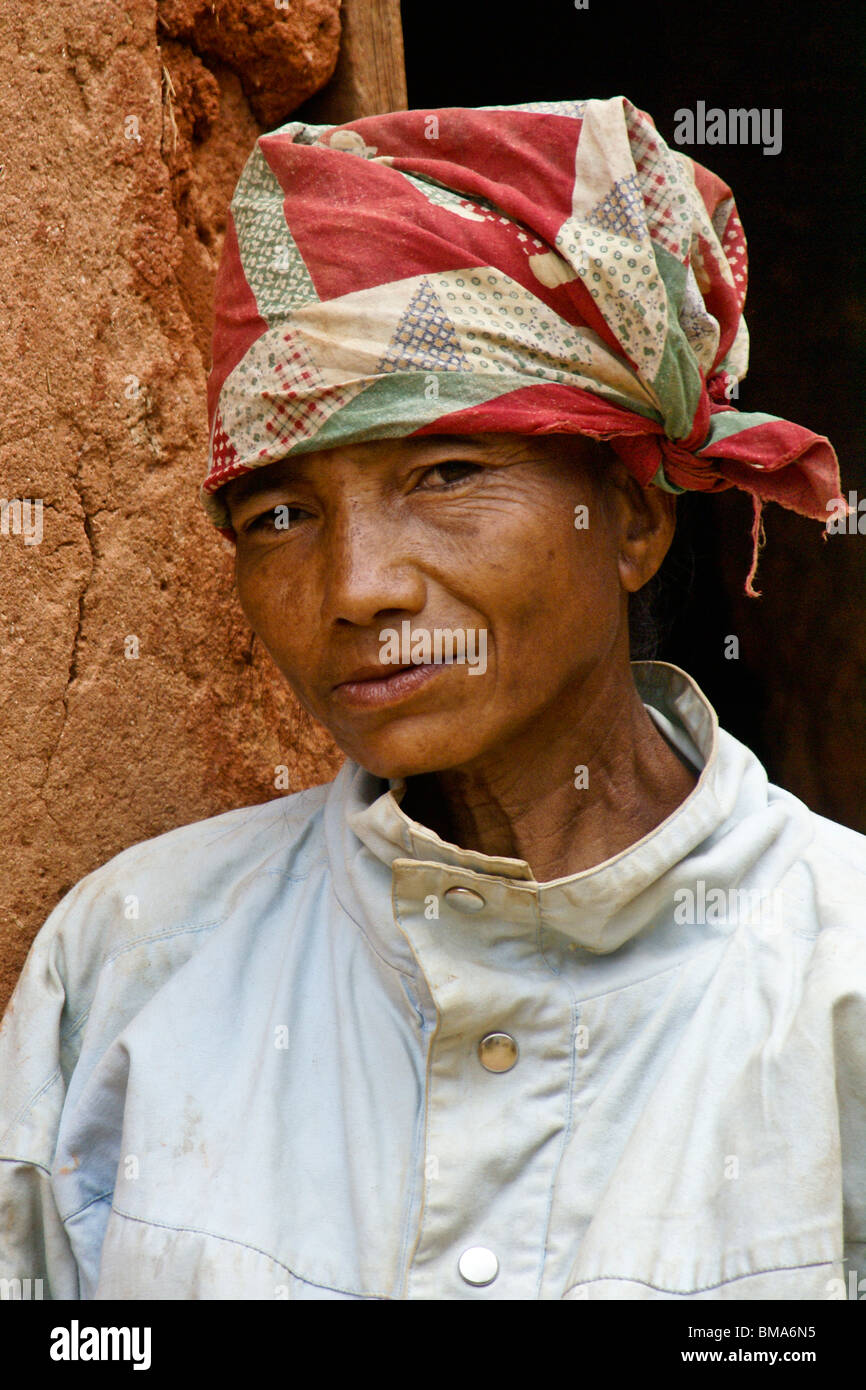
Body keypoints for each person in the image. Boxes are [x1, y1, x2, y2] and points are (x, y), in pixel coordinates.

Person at [1, 95, 864, 1302]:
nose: (355, 587)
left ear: (629, 515)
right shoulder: (129, 966)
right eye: (280, 515)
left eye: (445, 473)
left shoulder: (838, 979)